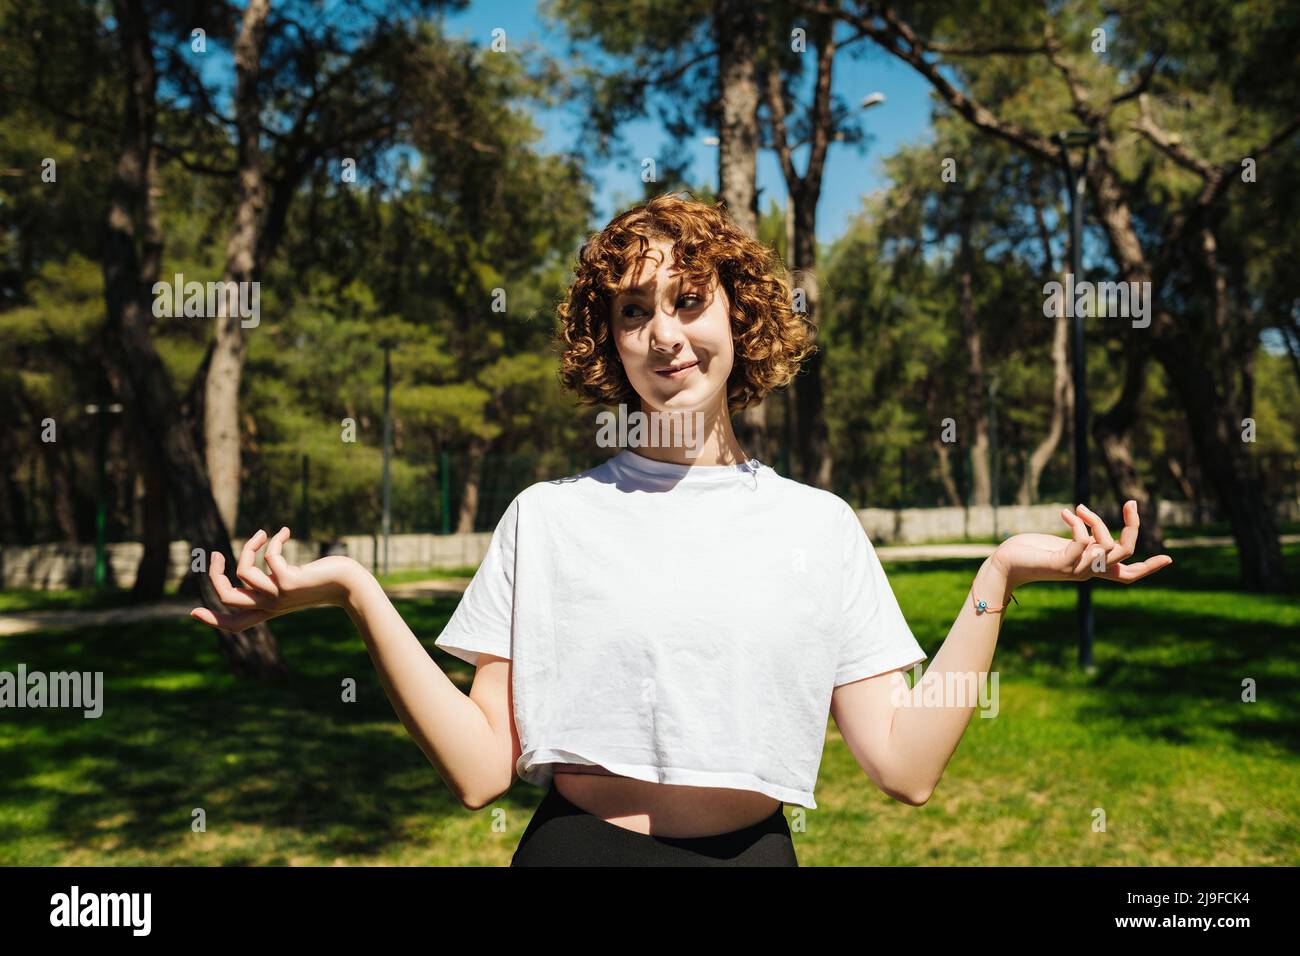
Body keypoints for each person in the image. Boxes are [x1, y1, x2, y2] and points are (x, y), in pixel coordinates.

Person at [191, 192, 1174, 867]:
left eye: (689, 300)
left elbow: (906, 766)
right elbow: (480, 771)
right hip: (575, 856)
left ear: (738, 315)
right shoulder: (548, 519)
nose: (665, 333)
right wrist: (360, 591)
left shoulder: (817, 527)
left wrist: (998, 573)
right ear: (609, 345)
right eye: (633, 310)